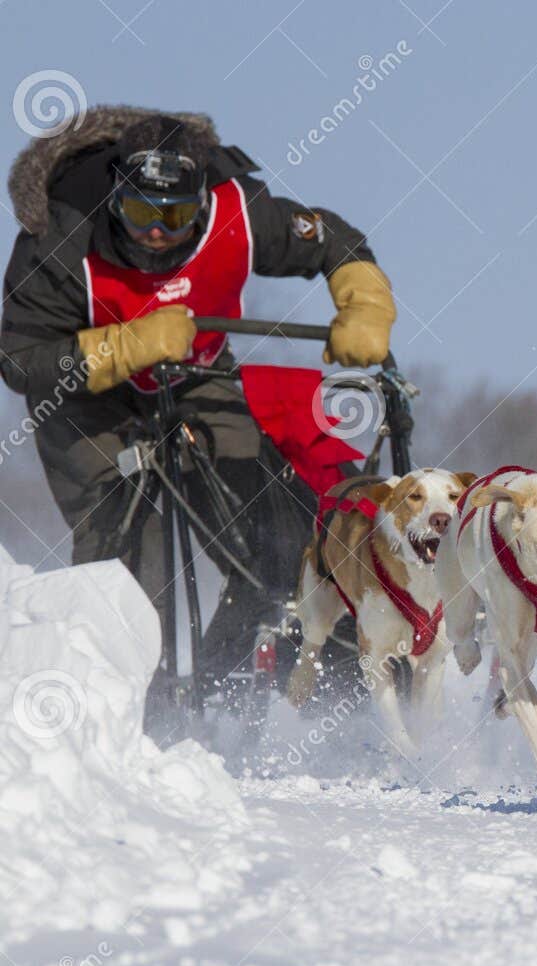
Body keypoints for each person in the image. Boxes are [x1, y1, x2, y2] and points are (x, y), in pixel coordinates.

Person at [1, 107, 396, 720]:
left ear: (202, 202)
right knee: (137, 558)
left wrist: (365, 301)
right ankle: (131, 723)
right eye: (139, 214)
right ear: (115, 198)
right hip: (83, 397)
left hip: (197, 371)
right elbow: (20, 360)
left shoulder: (241, 207)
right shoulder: (60, 232)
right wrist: (126, 344)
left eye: (176, 217)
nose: (156, 234)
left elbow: (332, 239)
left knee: (274, 546)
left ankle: (222, 705)